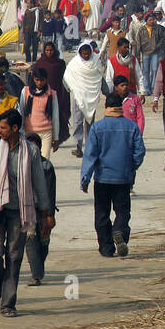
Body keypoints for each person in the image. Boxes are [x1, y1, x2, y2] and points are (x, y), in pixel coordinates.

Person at [0, 109, 53, 317]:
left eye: (3, 127)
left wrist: (46, 213)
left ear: (15, 128)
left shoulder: (30, 151)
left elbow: (39, 184)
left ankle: (8, 303)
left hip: (20, 213)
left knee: (14, 256)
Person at [81, 91, 145, 258]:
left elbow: (90, 155)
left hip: (102, 178)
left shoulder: (97, 127)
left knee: (102, 214)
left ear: (106, 107)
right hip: (123, 177)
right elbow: (139, 152)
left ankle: (106, 248)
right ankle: (119, 232)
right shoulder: (131, 127)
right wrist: (132, 167)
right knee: (123, 211)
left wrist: (85, 178)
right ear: (121, 107)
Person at [63, 42, 105, 158]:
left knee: (90, 122)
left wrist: (107, 92)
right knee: (77, 121)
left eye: (88, 54)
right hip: (78, 96)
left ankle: (90, 146)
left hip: (91, 97)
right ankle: (77, 146)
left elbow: (99, 78)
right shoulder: (74, 64)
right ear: (80, 53)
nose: (86, 56)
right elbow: (67, 77)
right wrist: (68, 90)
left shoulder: (96, 61)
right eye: (84, 54)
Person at [17, 67, 62, 153]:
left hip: (46, 132)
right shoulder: (25, 91)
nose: (39, 83)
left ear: (46, 80)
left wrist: (56, 138)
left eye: (42, 80)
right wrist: (21, 131)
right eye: (37, 80)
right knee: (29, 160)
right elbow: (21, 112)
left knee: (44, 160)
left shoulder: (52, 94)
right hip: (29, 131)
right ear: (33, 79)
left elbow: (55, 117)